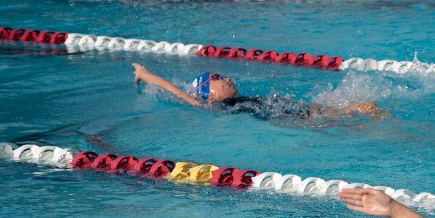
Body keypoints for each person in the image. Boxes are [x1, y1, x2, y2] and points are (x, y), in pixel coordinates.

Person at [131, 63, 387, 122]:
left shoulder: (239, 101)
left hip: (280, 110)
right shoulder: (209, 106)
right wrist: (146, 75)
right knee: (339, 115)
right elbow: (177, 92)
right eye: (217, 78)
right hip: (282, 116)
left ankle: (358, 113)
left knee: (337, 115)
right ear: (207, 94)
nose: (227, 78)